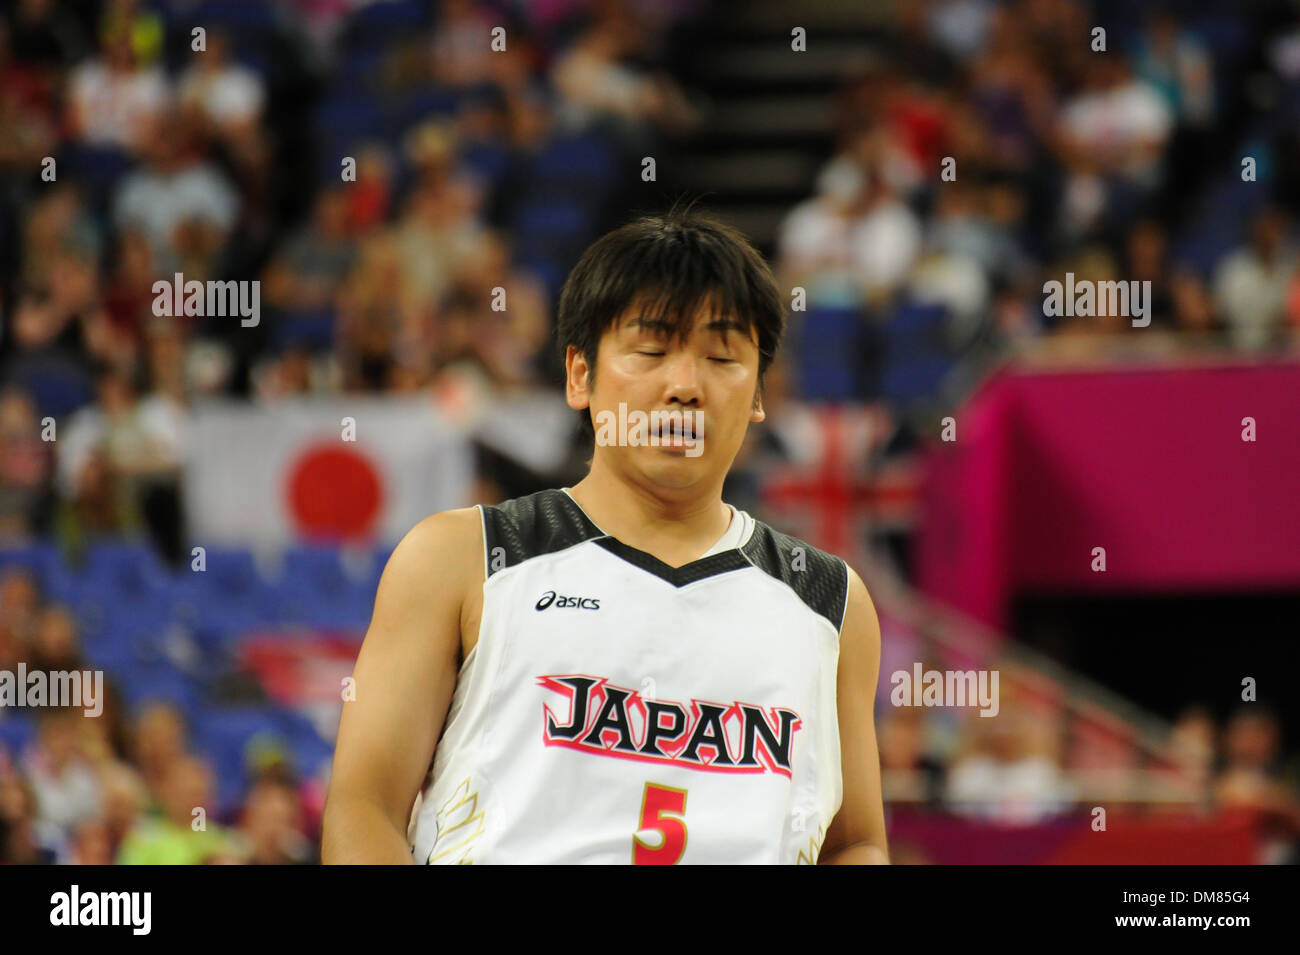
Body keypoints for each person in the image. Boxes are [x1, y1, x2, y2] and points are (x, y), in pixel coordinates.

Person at [322, 205, 888, 864]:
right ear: (579, 375)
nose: (685, 385)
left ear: (759, 394)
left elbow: (856, 844)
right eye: (651, 351)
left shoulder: (831, 602)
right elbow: (364, 808)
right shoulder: (460, 558)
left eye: (721, 356)